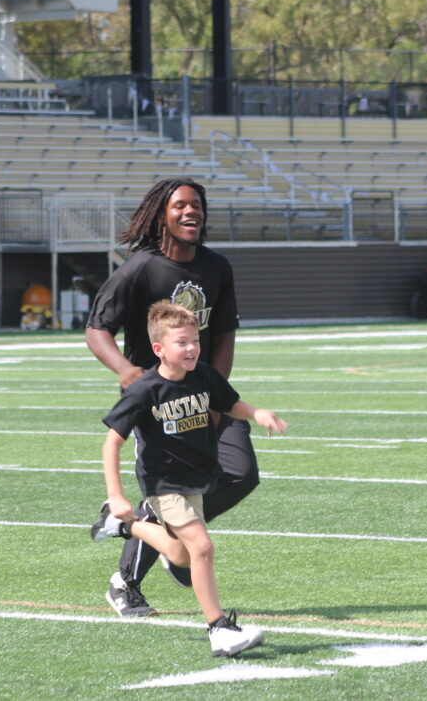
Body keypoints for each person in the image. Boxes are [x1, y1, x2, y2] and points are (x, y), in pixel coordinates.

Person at [85, 177, 260, 617]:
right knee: (170, 491)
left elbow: (223, 335)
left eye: (196, 205)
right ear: (161, 213)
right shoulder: (139, 268)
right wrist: (126, 370)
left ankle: (165, 531)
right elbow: (96, 329)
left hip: (206, 395)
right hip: (159, 406)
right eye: (179, 205)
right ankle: (125, 582)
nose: (190, 212)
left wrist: (216, 394)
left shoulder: (217, 267)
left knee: (240, 472)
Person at [90, 301, 287, 657]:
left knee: (182, 556)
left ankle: (123, 526)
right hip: (163, 485)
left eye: (195, 340)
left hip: (195, 480)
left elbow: (228, 404)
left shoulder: (205, 375)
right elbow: (112, 442)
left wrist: (256, 412)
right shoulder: (145, 390)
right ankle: (219, 628)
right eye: (182, 342)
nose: (192, 348)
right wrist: (116, 493)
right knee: (203, 547)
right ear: (159, 349)